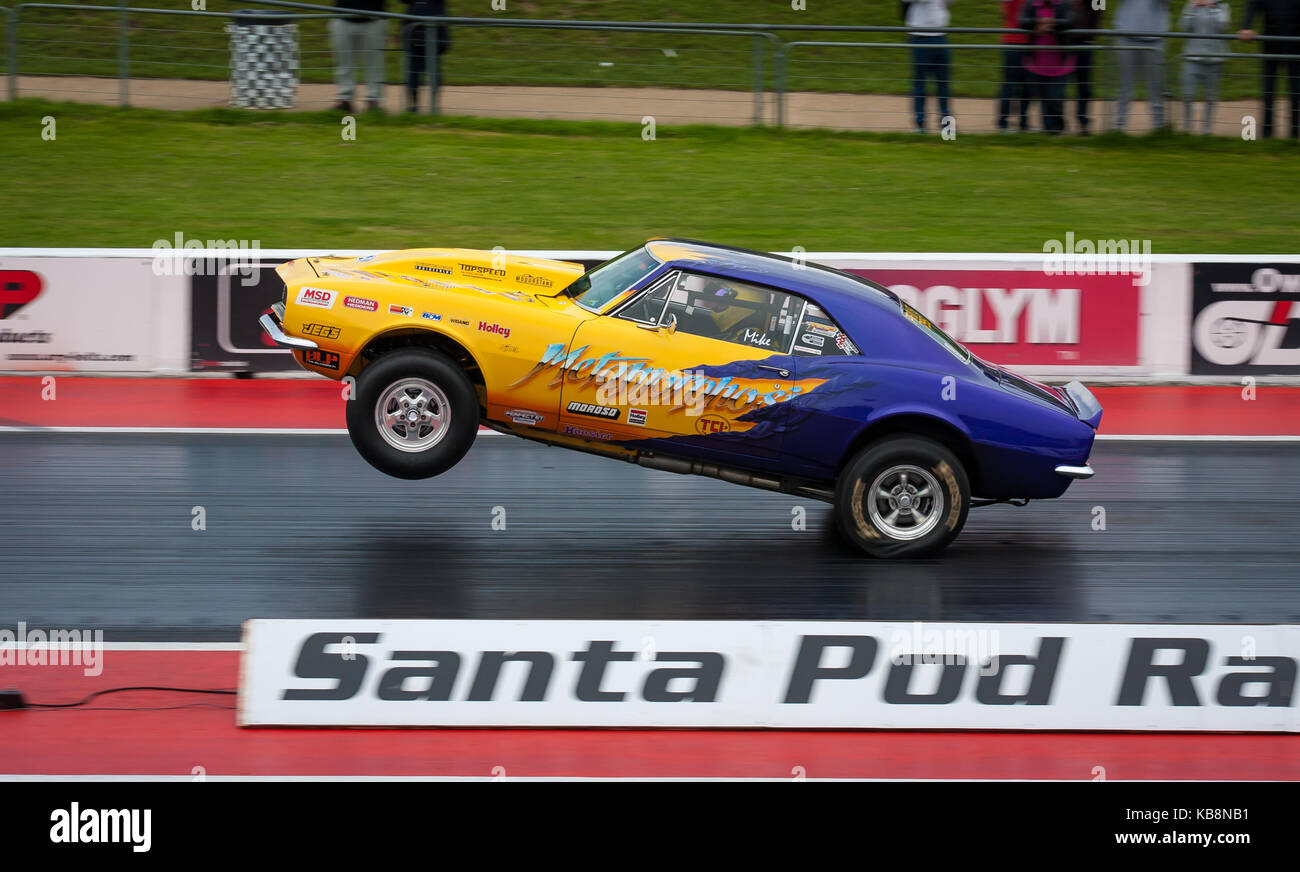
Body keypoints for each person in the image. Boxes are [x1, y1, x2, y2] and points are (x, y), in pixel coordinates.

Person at [1237, 0, 1300, 139]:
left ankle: (1295, 135)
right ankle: (1267, 134)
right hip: (1271, 47)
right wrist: (1246, 27)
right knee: (1268, 93)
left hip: (1295, 48)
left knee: (1296, 94)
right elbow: (1253, 4)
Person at [1114, 0, 1172, 132]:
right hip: (1126, 35)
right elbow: (1098, 3)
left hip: (1155, 38)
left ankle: (1159, 129)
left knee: (1156, 88)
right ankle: (1118, 128)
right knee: (1124, 87)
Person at [1020, 0, 1077, 133]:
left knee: (1055, 97)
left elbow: (1071, 21)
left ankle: (1058, 127)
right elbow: (1022, 21)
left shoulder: (1064, 4)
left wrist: (1052, 23)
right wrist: (1039, 22)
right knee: (1044, 99)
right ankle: (1049, 131)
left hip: (1060, 63)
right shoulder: (1031, 4)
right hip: (1038, 62)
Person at [902, 0, 955, 133]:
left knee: (943, 83)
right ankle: (920, 125)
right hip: (920, 36)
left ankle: (947, 125)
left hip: (941, 35)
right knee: (920, 83)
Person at [1180, 1, 1231, 134]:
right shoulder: (1191, 4)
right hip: (1192, 57)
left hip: (1214, 59)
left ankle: (1207, 130)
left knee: (1210, 97)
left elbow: (1223, 26)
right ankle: (1187, 128)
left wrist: (1212, 8)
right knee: (1187, 94)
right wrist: (1191, 9)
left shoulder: (1222, 6)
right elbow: (1183, 27)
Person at [331, 0, 387, 113]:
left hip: (374, 18)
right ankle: (345, 99)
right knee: (344, 62)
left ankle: (373, 100)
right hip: (343, 17)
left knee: (374, 64)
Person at [403, 0, 451, 113]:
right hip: (424, 40)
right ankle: (428, 106)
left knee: (417, 73)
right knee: (427, 74)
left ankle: (417, 106)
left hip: (422, 39)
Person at [998, 0, 1032, 132]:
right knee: (1011, 85)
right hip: (1015, 41)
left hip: (1024, 42)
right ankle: (1005, 122)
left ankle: (1020, 122)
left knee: (1026, 86)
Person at [1071, 0, 1104, 134]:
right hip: (1065, 40)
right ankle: (1055, 123)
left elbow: (1100, 9)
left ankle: (1082, 121)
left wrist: (1091, 34)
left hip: (1083, 41)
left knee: (1084, 86)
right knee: (1058, 82)